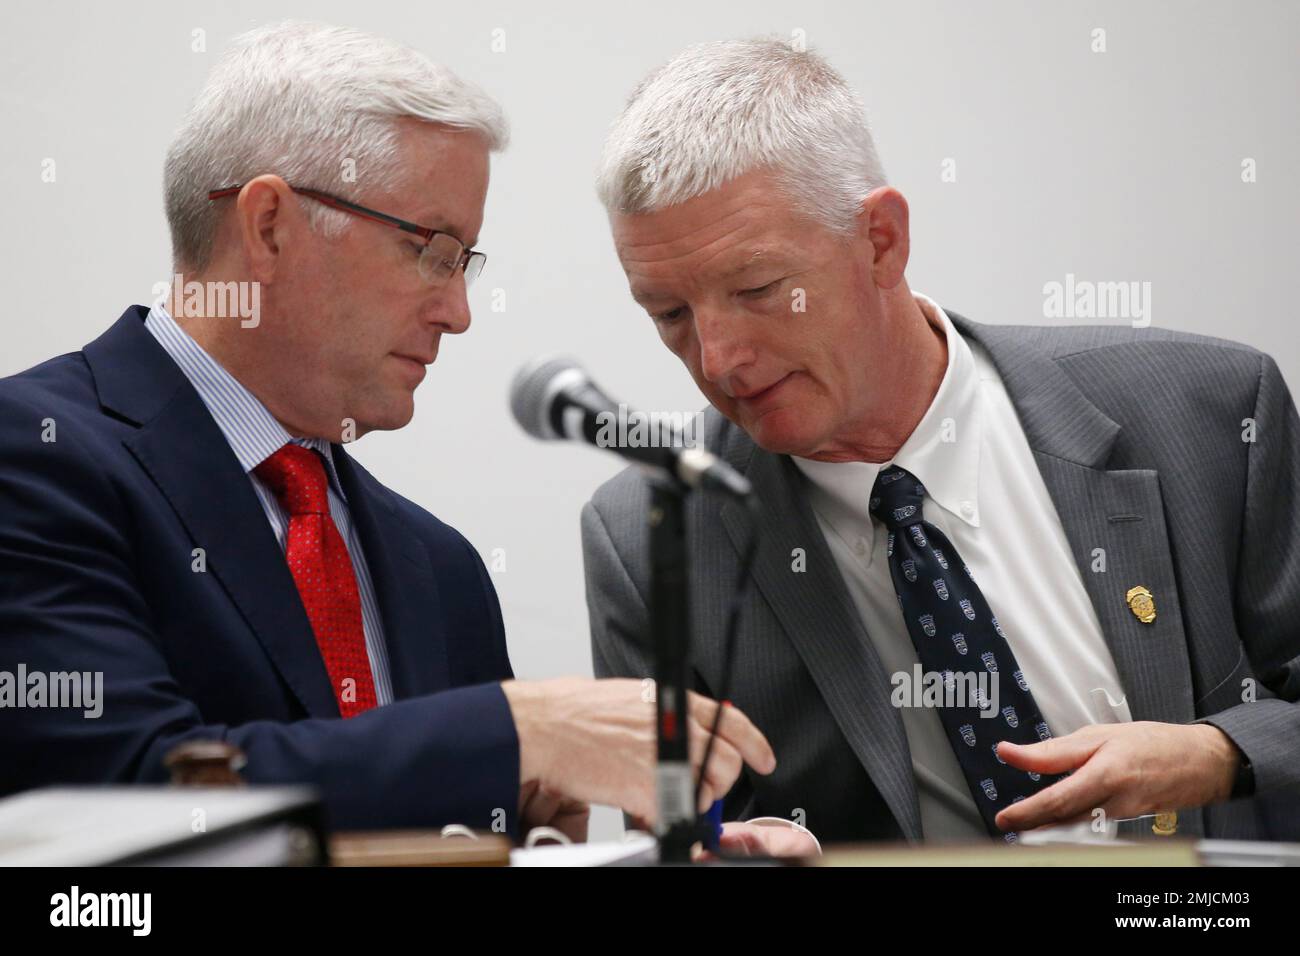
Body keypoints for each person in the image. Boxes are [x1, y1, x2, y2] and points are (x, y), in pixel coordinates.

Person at [0, 21, 776, 840]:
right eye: (433, 251)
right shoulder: (33, 458)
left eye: (467, 262)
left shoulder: (439, 568)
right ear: (268, 225)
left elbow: (464, 824)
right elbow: (118, 800)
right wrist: (522, 731)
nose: (460, 312)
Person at [583, 37, 1300, 848]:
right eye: (669, 315)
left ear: (881, 240)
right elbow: (682, 832)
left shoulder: (1210, 414)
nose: (718, 361)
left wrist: (1218, 751)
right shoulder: (651, 539)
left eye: (756, 291)